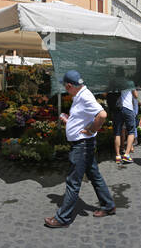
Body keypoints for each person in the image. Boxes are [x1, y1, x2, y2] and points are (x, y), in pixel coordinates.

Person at [44, 70, 115, 228]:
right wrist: (71, 122)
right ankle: (109, 205)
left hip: (82, 145)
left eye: (65, 87)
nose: (65, 90)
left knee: (73, 182)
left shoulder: (84, 96)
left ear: (69, 85)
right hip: (85, 144)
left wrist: (92, 129)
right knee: (95, 176)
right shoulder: (81, 94)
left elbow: (102, 115)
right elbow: (85, 116)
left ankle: (62, 218)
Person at [113, 81, 139, 164]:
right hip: (128, 108)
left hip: (117, 109)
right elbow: (136, 96)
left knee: (117, 132)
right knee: (131, 131)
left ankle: (117, 156)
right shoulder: (129, 82)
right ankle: (126, 154)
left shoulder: (113, 82)